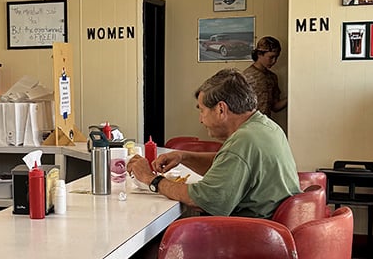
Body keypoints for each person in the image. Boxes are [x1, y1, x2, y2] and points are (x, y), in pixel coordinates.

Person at [127, 68, 300, 218]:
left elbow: (202, 201)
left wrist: (151, 179)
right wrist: (183, 157)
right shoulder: (265, 127)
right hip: (274, 230)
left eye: (202, 111)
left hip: (250, 236)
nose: (201, 120)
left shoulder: (243, 141)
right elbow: (228, 165)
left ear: (221, 109)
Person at [242, 36, 286, 117]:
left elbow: (275, 107)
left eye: (276, 57)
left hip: (265, 124)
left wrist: (291, 98)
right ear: (259, 54)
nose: (274, 61)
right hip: (248, 124)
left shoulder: (272, 77)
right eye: (271, 57)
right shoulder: (246, 77)